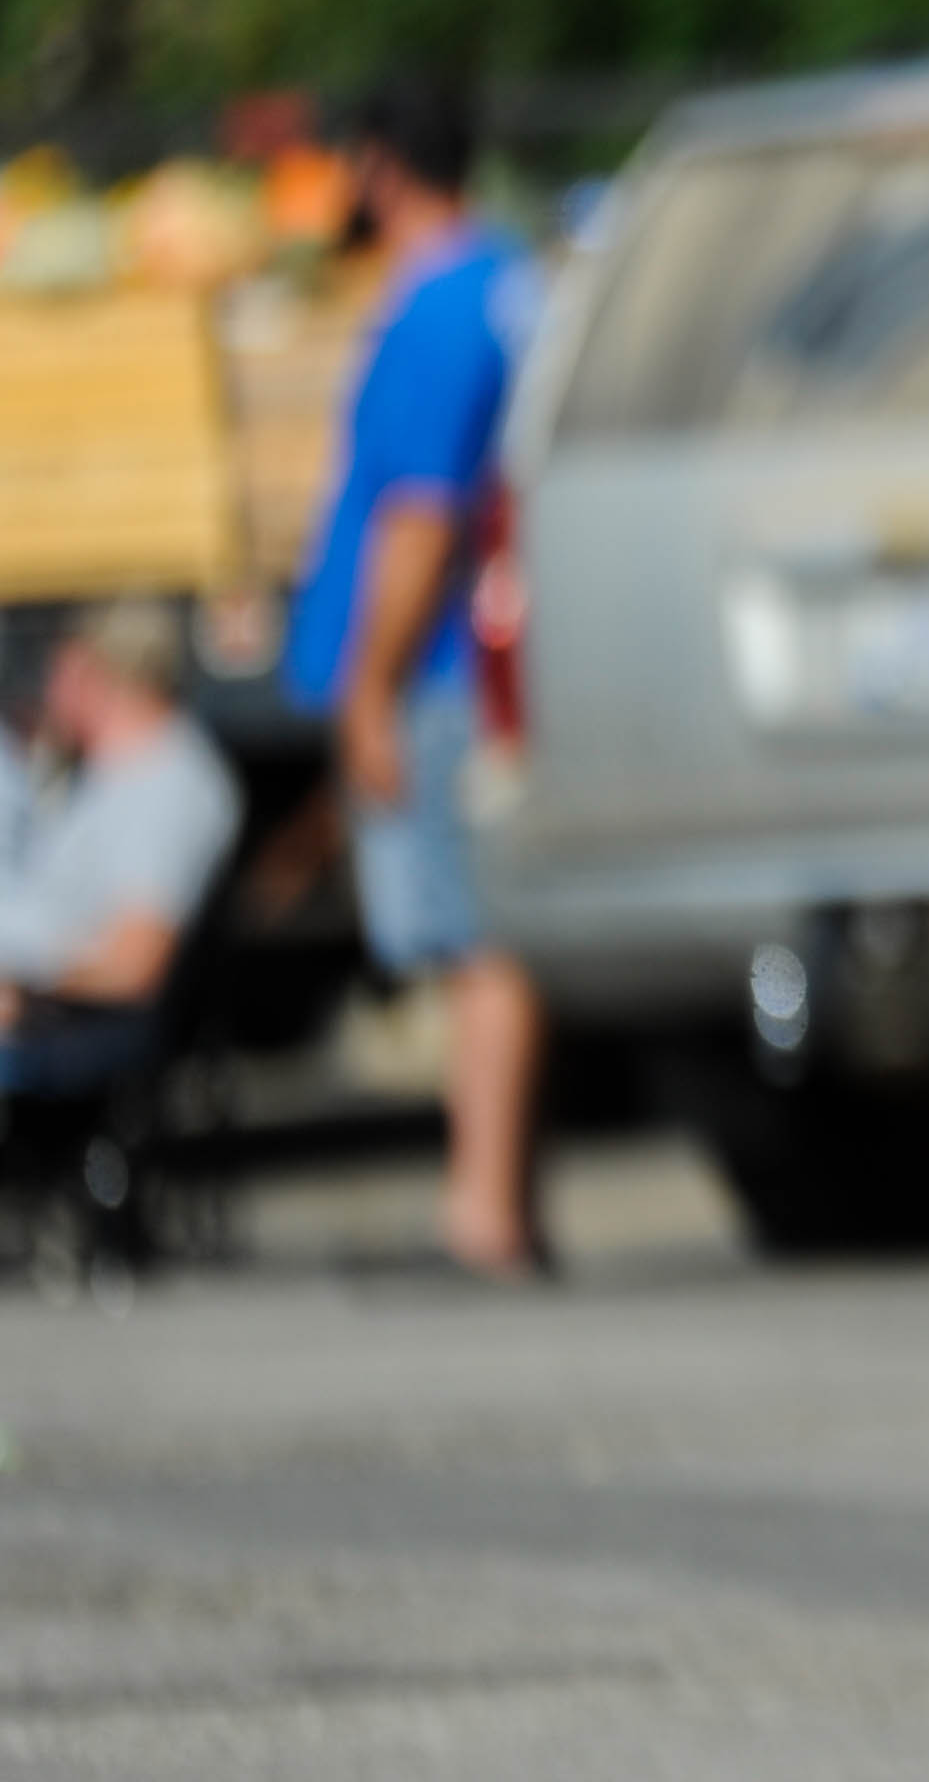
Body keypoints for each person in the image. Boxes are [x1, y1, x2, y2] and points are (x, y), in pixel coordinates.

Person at [284, 80, 544, 1279]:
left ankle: (481, 1210)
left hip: (438, 668)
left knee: (473, 937)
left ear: (379, 166)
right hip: (477, 660)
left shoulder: (436, 310)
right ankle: (496, 1198)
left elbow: (423, 515)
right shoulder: (506, 281)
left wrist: (369, 687)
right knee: (481, 931)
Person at [0, 599, 243, 1091]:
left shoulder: (170, 784)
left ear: (98, 673)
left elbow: (134, 965)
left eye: (60, 670)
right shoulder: (103, 771)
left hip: (59, 1024)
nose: (49, 689)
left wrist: (22, 988)